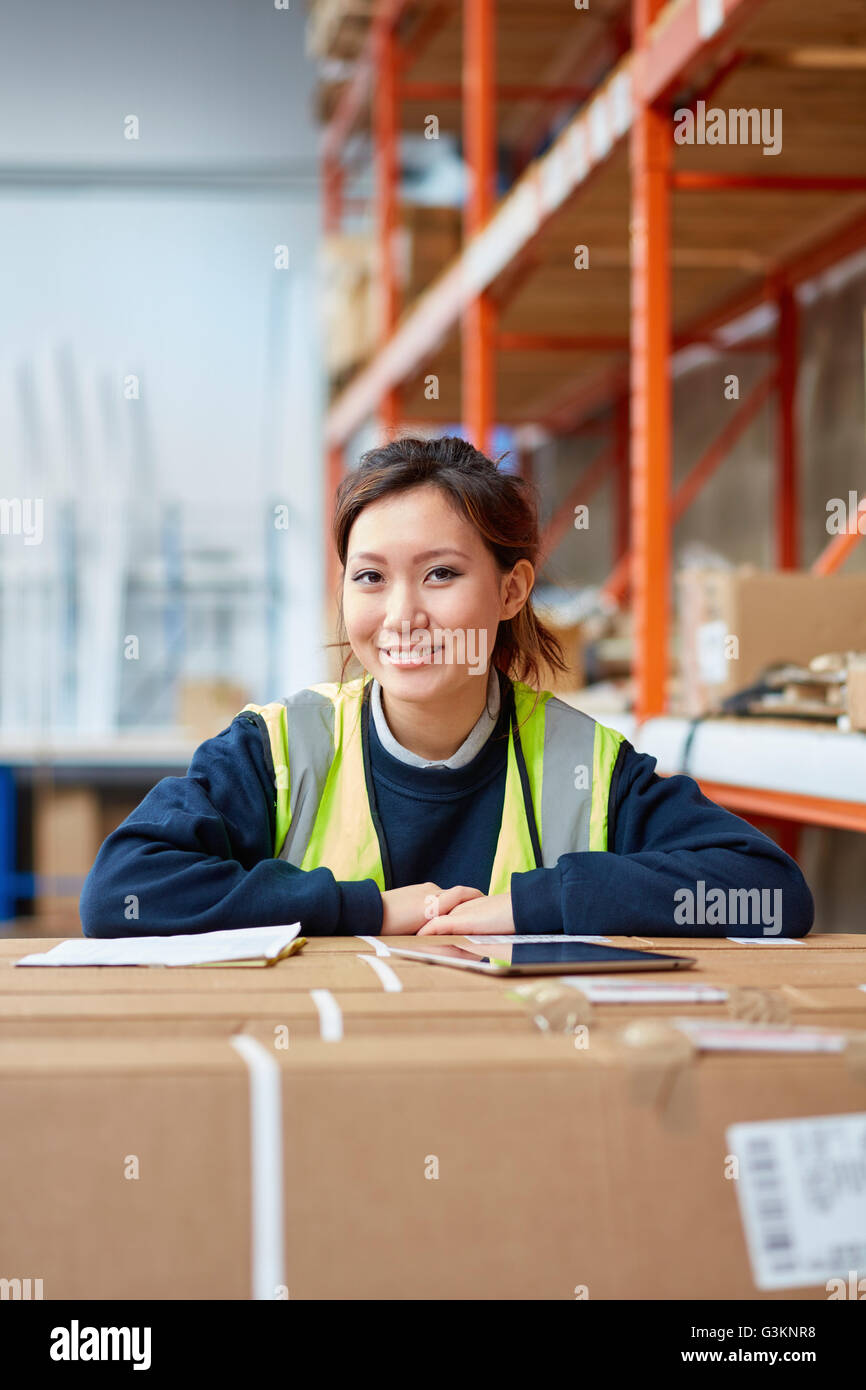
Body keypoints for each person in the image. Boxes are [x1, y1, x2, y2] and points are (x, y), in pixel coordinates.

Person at [80, 435, 814, 939]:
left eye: (440, 574)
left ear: (512, 589)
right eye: (370, 578)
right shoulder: (276, 750)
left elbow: (767, 894)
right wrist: (359, 910)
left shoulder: (581, 764)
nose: (402, 617)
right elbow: (122, 892)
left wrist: (535, 905)